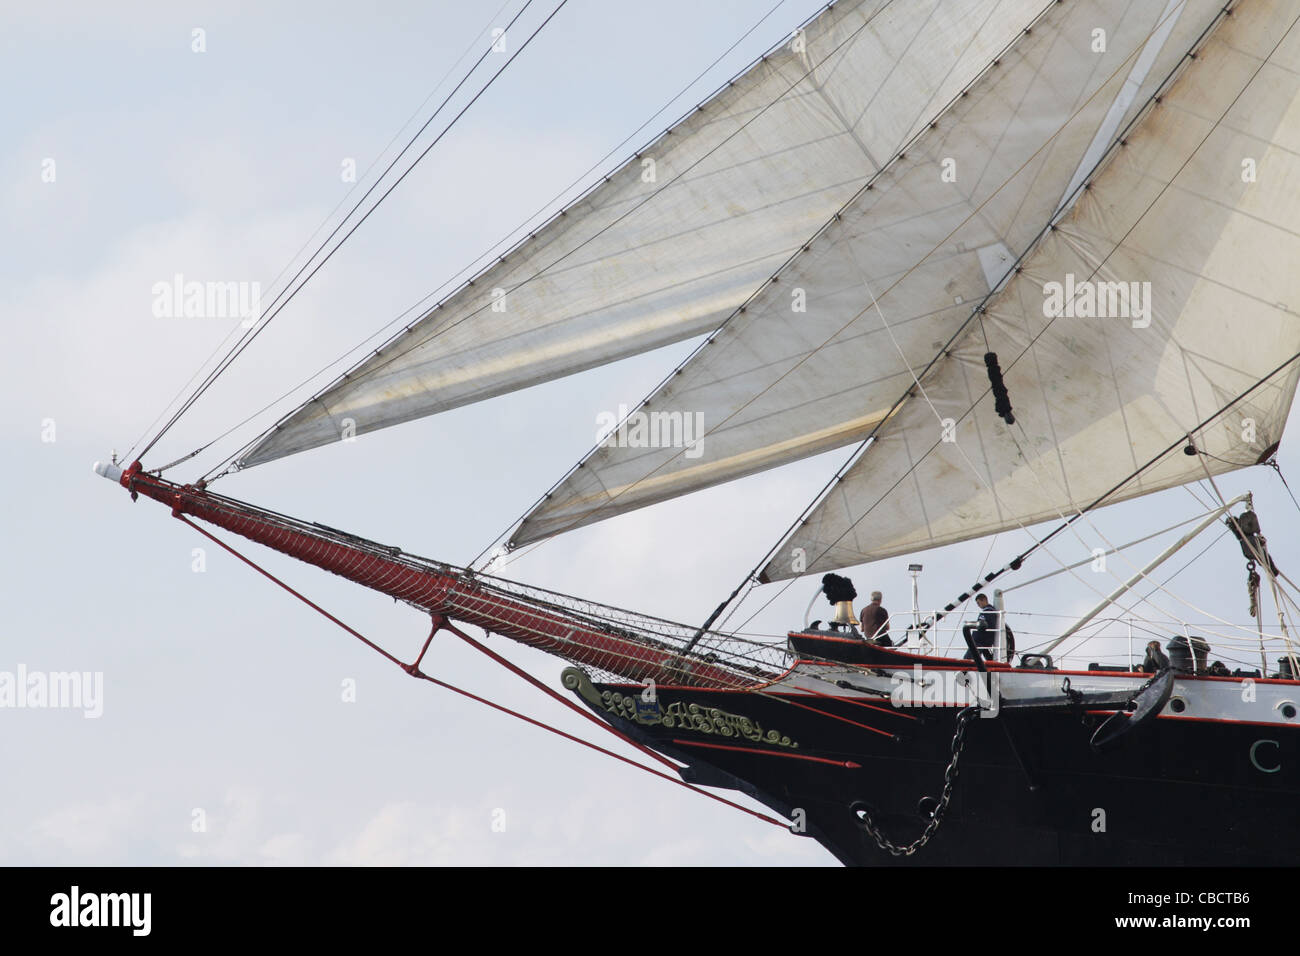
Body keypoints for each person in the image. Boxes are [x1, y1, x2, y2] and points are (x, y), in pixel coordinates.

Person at [962, 593, 1002, 661]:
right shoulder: (990, 611)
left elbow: (982, 624)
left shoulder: (987, 612)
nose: (978, 605)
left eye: (978, 603)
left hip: (980, 641)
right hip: (984, 641)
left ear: (984, 600)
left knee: (967, 659)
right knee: (988, 658)